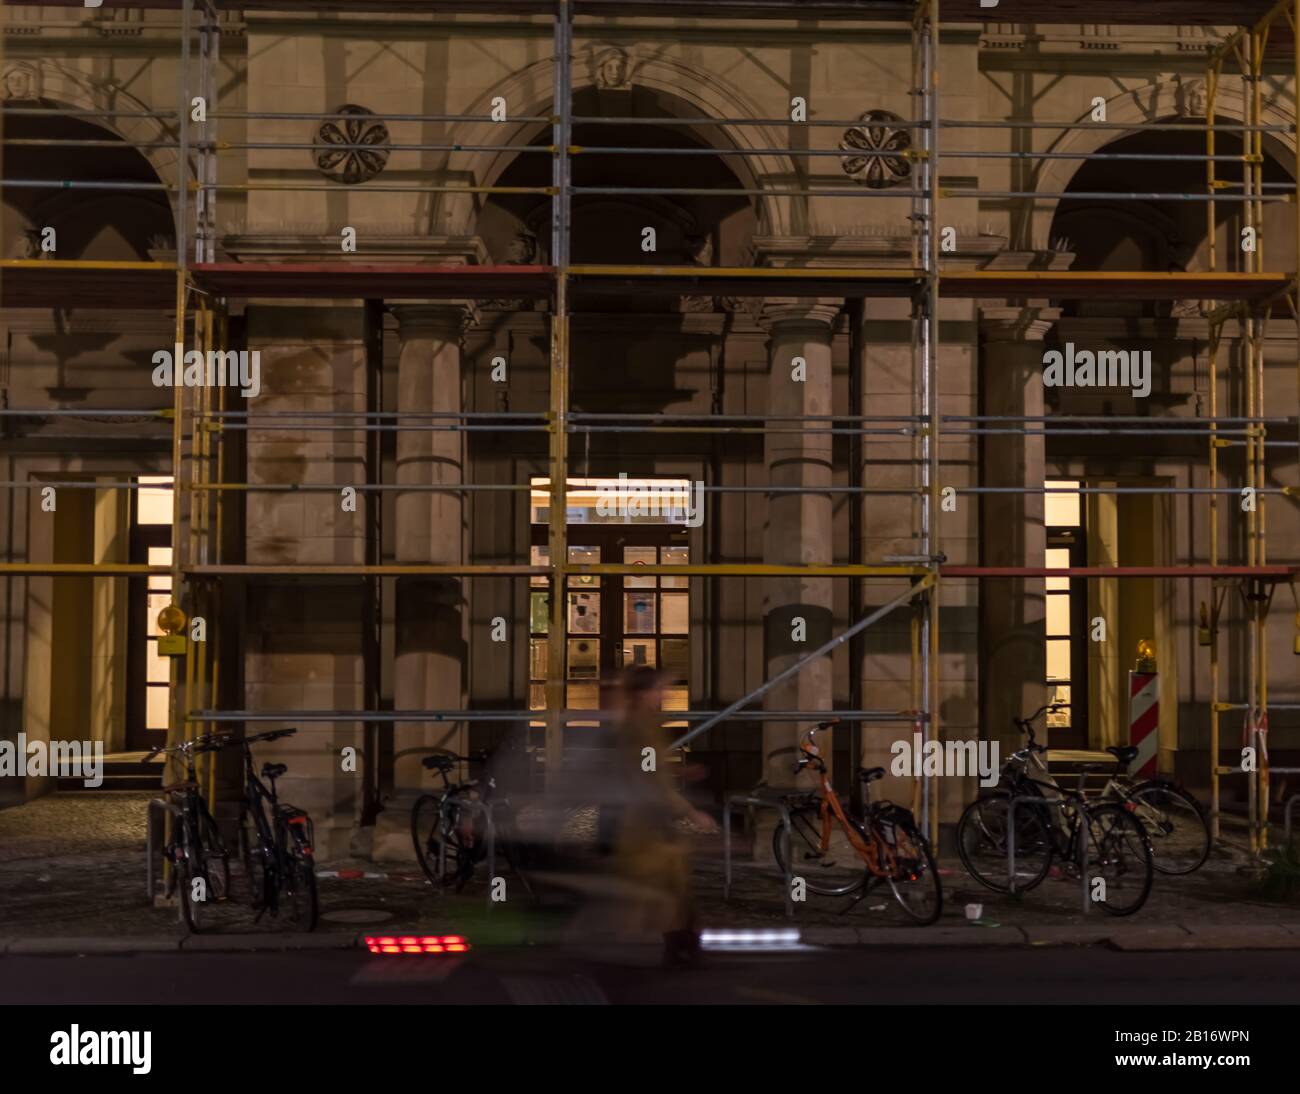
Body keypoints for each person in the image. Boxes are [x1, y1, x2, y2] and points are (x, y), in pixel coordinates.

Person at [607, 666, 716, 968]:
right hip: (647, 820)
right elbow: (650, 778)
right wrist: (691, 813)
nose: (664, 694)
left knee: (673, 887)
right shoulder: (640, 726)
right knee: (669, 888)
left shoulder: (644, 723)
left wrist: (680, 771)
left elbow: (649, 767)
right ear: (643, 693)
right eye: (659, 688)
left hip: (651, 817)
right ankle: (681, 952)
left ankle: (682, 949)